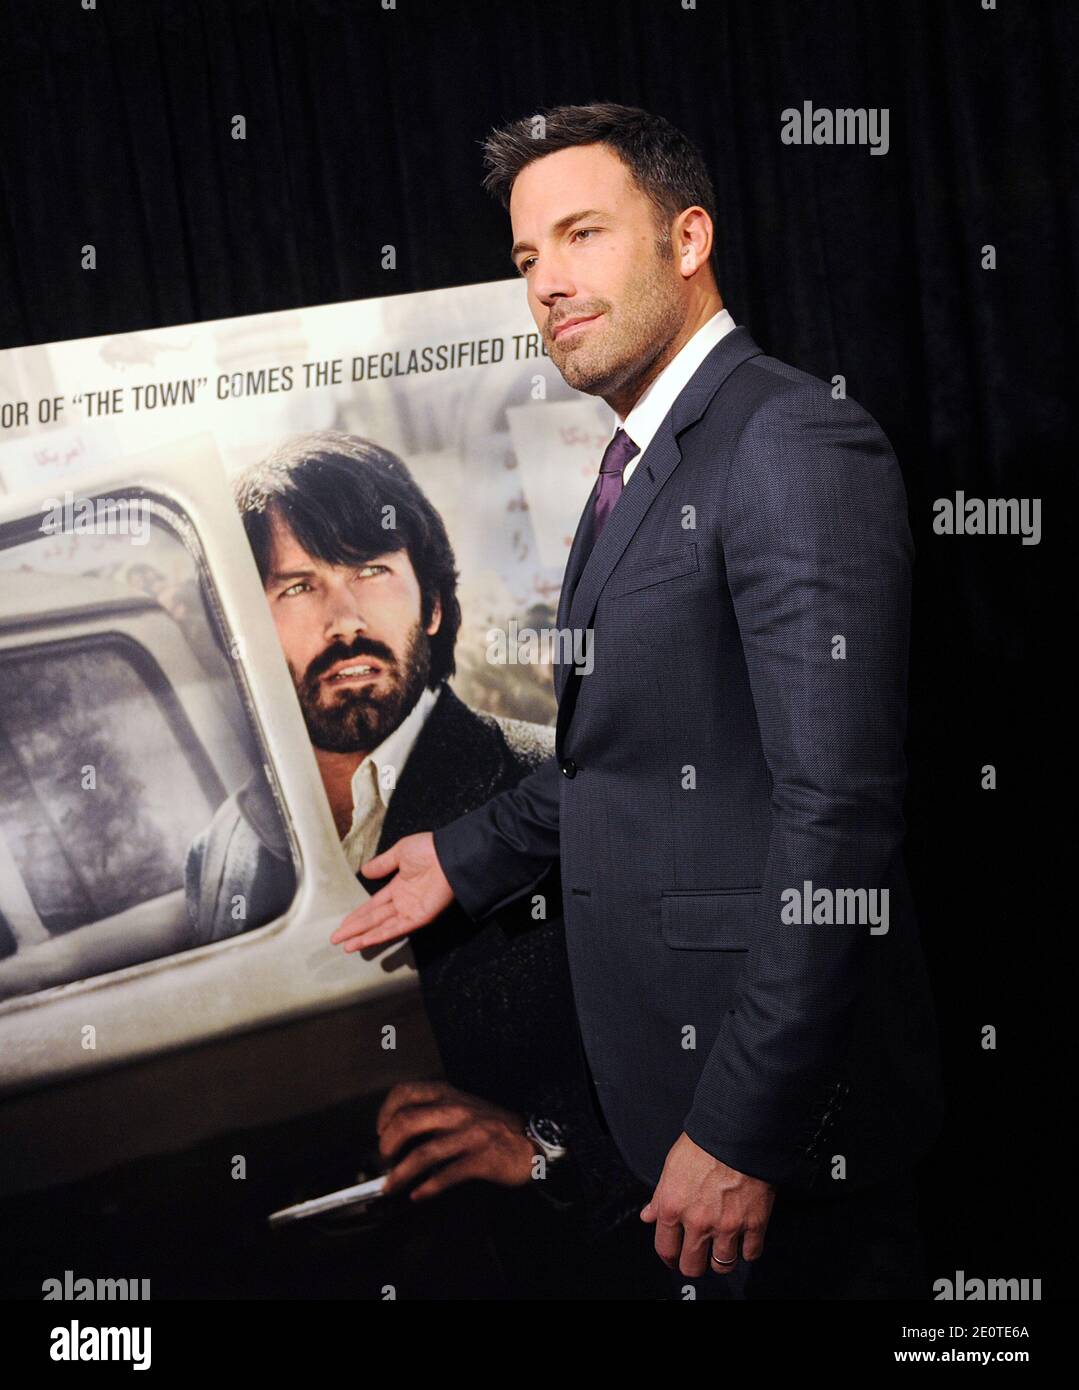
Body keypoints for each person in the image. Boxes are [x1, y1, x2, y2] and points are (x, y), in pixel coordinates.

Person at [331, 103, 946, 1299]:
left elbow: (838, 824)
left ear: (686, 239)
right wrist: (462, 856)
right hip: (667, 1118)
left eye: (580, 235)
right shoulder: (640, 461)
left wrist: (739, 1131)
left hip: (776, 1137)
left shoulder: (786, 440)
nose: (547, 283)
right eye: (524, 259)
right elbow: (629, 755)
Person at [185, 431, 660, 1296]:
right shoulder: (220, 845)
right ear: (245, 629)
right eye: (298, 587)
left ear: (432, 605)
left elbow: (710, 1067)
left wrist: (548, 1148)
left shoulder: (557, 792)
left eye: (372, 570)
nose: (345, 621)